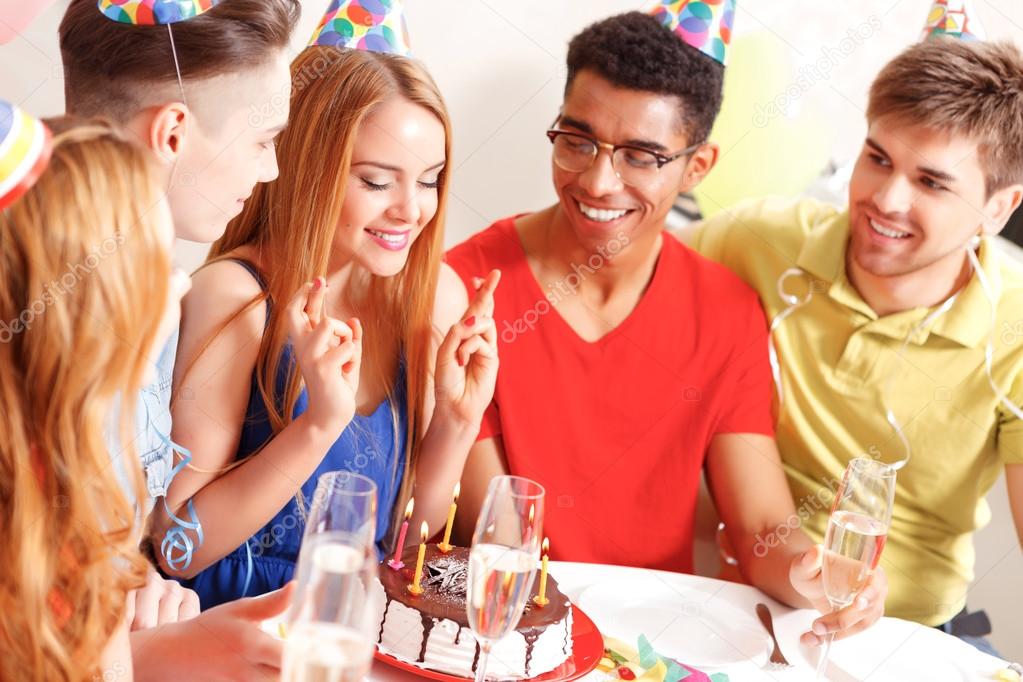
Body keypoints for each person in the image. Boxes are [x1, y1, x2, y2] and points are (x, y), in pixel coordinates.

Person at [446, 6, 885, 647]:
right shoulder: (467, 285)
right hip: (511, 631)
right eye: (578, 140)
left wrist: (816, 574)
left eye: (642, 155)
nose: (598, 180)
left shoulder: (728, 312)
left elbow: (762, 524)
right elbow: (498, 534)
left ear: (697, 167)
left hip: (653, 645)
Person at [680, 36, 1023, 654]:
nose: (887, 200)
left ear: (999, 208)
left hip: (914, 635)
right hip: (739, 604)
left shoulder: (1016, 326)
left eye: (933, 183)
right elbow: (614, 281)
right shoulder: (758, 240)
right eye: (879, 158)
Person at [158, 21, 499, 609]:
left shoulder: (432, 294)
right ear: (309, 168)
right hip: (232, 632)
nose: (411, 210)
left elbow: (402, 553)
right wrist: (316, 428)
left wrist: (457, 423)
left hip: (355, 632)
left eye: (429, 180)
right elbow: (177, 550)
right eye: (375, 180)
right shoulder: (237, 298)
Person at [57, 0, 302, 675]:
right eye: (262, 139)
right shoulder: (51, 317)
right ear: (172, 133)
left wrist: (135, 591)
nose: (272, 171)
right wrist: (151, 655)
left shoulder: (157, 293)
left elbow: (89, 560)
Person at [0, 116, 178, 680]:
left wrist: (205, 643)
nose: (183, 287)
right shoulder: (60, 513)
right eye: (160, 272)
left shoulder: (65, 482)